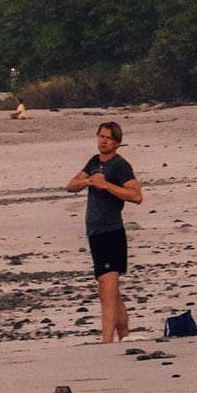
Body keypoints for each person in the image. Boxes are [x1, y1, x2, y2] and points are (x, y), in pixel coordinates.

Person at [66, 120, 142, 343]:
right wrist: (89, 181)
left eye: (108, 138)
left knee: (107, 289)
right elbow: (70, 185)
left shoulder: (120, 165)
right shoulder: (94, 161)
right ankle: (124, 334)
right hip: (95, 232)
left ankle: (106, 341)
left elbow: (136, 196)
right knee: (110, 289)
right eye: (101, 137)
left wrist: (106, 185)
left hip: (111, 231)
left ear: (117, 142)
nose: (104, 141)